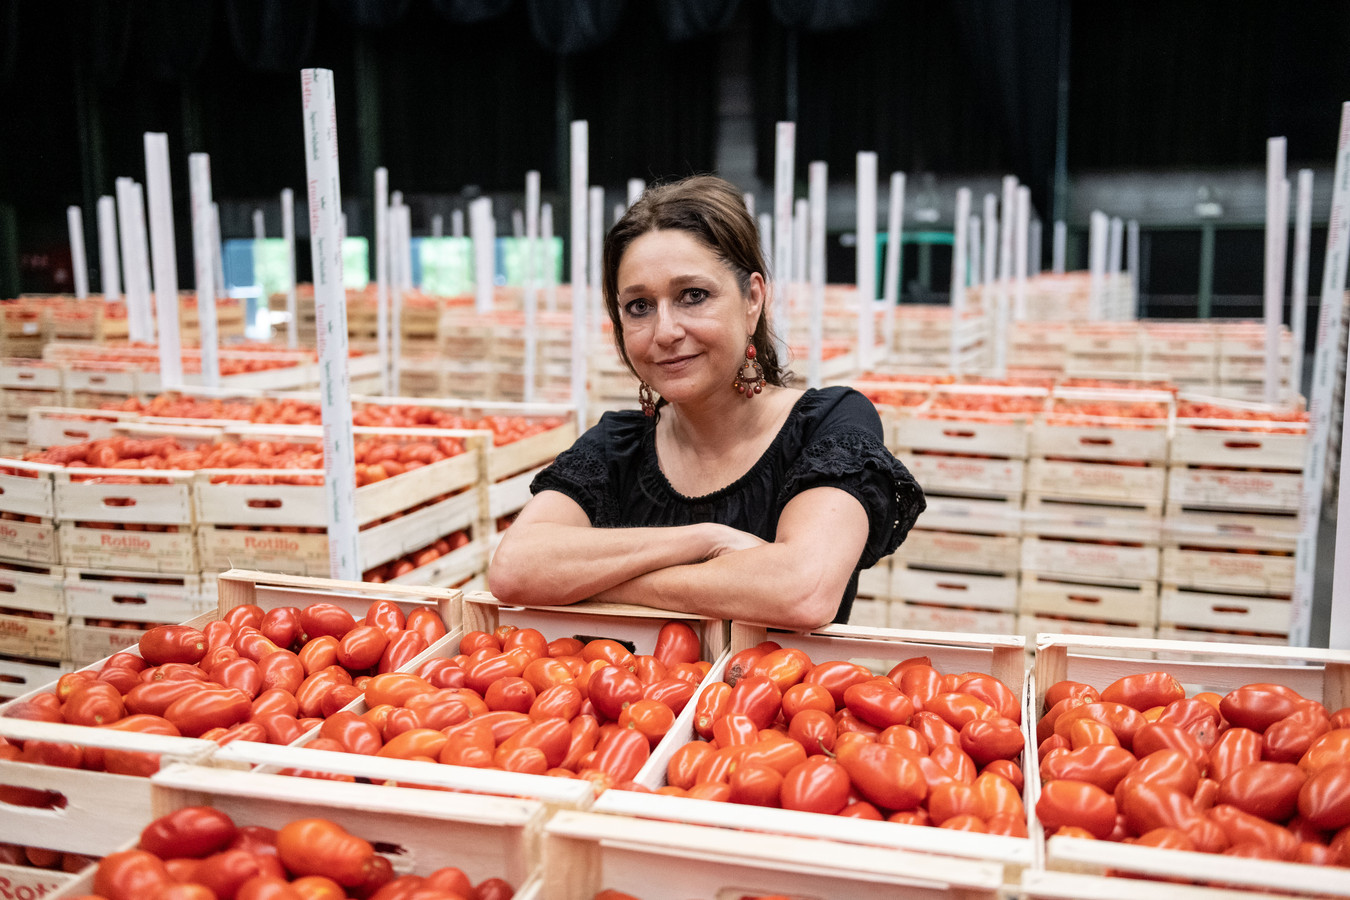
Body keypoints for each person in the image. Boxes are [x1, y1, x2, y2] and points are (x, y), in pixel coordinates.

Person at [489, 175, 925, 630]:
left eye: (693, 296)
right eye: (639, 306)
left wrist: (600, 583)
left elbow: (803, 591)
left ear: (752, 297)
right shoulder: (616, 446)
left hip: (775, 701)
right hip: (639, 704)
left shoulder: (827, 426)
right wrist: (706, 540)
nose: (665, 332)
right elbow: (515, 567)